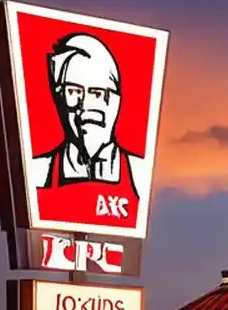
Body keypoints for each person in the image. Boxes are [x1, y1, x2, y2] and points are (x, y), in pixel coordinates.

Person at [29, 33, 147, 222]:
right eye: (73, 91)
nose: (85, 106)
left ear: (116, 102)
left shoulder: (141, 175)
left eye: (97, 93)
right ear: (59, 98)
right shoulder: (36, 173)